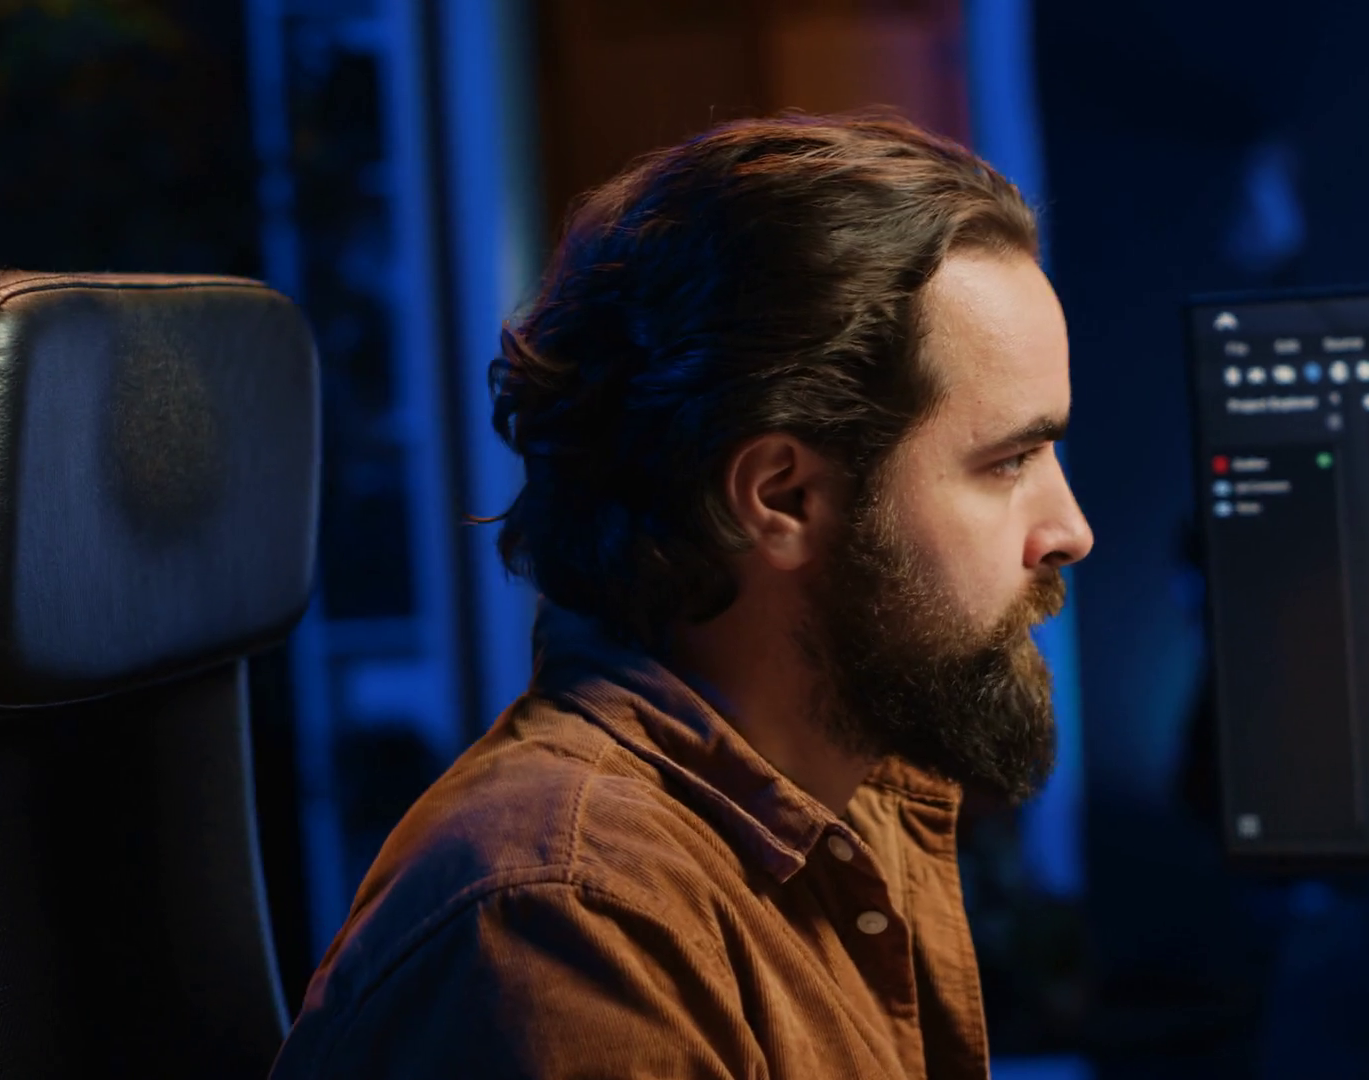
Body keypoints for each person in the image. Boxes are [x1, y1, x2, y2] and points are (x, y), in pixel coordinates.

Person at [269, 112, 1094, 1080]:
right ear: (781, 496)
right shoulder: (569, 925)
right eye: (1011, 461)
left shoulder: (850, 795)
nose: (1069, 529)